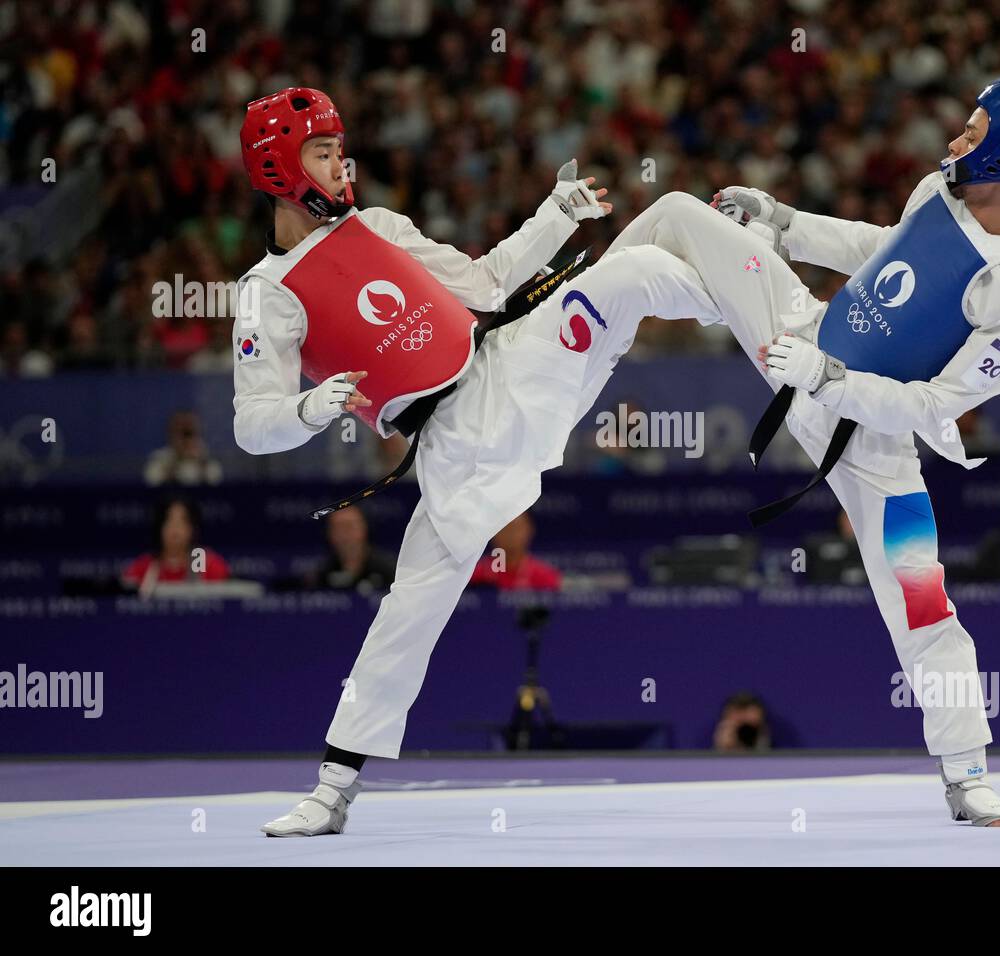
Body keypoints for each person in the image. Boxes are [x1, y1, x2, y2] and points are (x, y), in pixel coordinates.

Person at [234, 88, 715, 836]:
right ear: (276, 170)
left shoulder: (380, 226)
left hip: (511, 367)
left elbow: (487, 283)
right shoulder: (265, 296)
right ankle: (332, 791)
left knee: (633, 271)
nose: (340, 164)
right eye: (322, 153)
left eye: (339, 148)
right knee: (408, 610)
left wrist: (556, 215)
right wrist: (308, 408)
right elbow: (250, 427)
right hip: (454, 449)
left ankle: (784, 320)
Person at [606, 74, 1000, 826]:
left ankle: (967, 777)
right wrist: (787, 222)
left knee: (925, 608)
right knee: (677, 214)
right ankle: (569, 318)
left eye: (973, 131)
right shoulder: (939, 191)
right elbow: (880, 251)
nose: (956, 140)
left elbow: (934, 407)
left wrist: (831, 381)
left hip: (873, 443)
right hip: (799, 334)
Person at [122, 496, 230, 594]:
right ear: (159, 527)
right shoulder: (144, 567)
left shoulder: (207, 563)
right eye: (169, 520)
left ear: (193, 528)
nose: (175, 527)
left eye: (182, 521)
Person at [304, 507, 398, 595]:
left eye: (349, 527)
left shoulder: (393, 572)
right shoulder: (321, 577)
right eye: (338, 528)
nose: (345, 535)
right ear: (329, 534)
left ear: (365, 528)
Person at [469, 512, 562, 591]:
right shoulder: (472, 575)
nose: (510, 535)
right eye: (504, 528)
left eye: (515, 528)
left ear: (529, 530)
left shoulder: (545, 577)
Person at [143, 410, 223, 486]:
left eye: (189, 433)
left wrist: (201, 462)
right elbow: (151, 480)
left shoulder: (207, 459)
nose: (185, 439)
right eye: (181, 432)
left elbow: (217, 481)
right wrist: (176, 460)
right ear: (172, 433)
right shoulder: (161, 458)